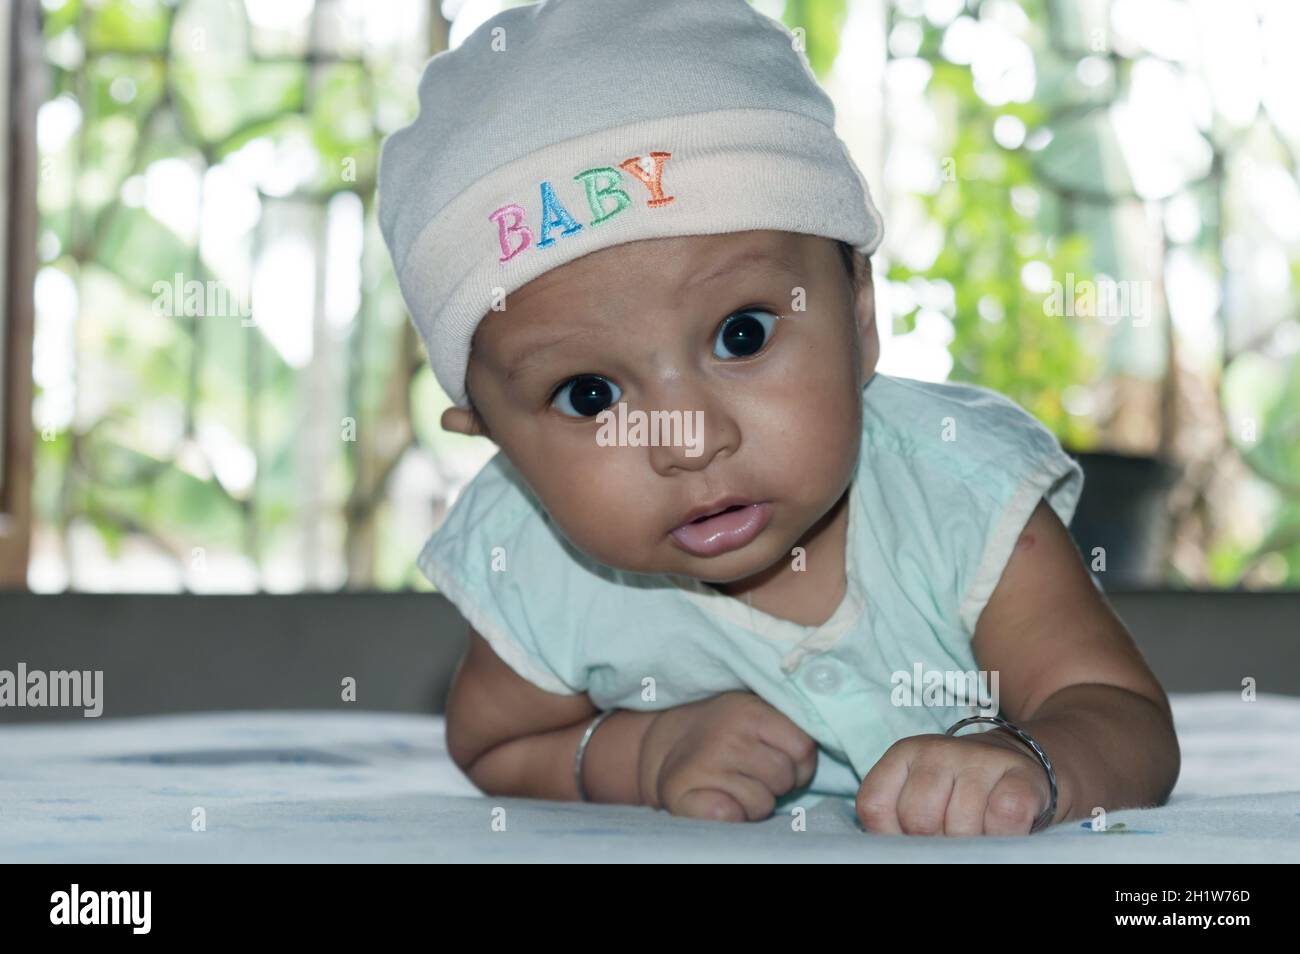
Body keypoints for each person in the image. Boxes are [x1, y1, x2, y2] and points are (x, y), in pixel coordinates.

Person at [376, 0, 1179, 835]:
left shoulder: (959, 495)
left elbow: (1118, 711)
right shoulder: (538, 563)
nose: (688, 440)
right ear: (498, 441)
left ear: (858, 313)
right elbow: (498, 747)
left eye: (742, 335)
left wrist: (1035, 762)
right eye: (590, 396)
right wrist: (645, 753)